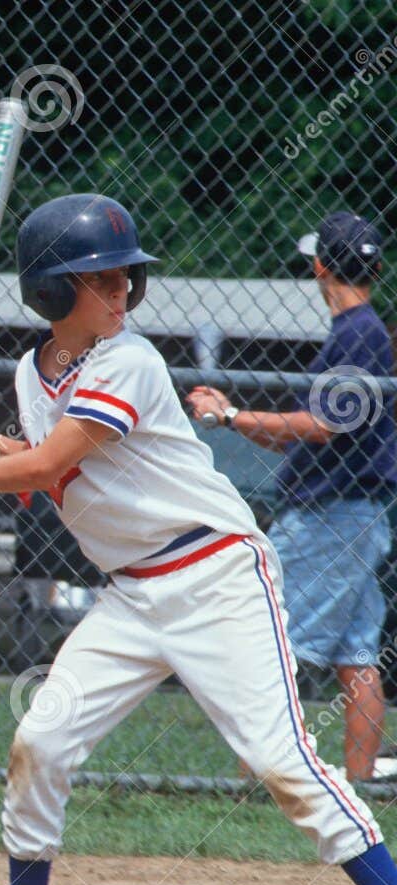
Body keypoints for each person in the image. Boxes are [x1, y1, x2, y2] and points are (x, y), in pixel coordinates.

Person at [0, 193, 397, 885]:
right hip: (132, 594)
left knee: (283, 762)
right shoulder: (34, 373)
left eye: (125, 280)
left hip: (214, 576)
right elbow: (53, 465)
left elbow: (44, 465)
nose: (121, 295)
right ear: (52, 292)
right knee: (42, 735)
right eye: (100, 282)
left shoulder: (129, 361)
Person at [186, 211, 395, 780]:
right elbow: (305, 440)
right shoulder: (359, 335)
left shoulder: (358, 334)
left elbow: (324, 426)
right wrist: (231, 420)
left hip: (331, 520)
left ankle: (263, 782)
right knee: (356, 658)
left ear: (322, 266)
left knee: (271, 645)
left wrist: (228, 412)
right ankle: (360, 783)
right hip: (352, 513)